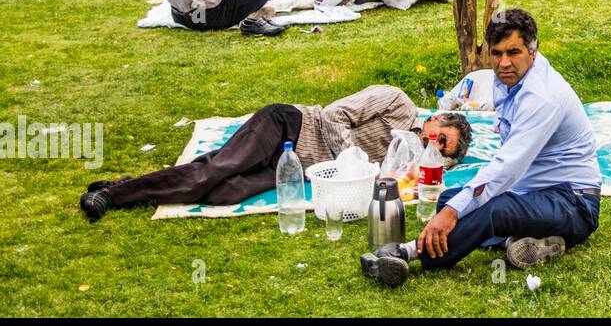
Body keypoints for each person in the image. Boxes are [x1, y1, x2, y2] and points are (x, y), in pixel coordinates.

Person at [360, 9, 602, 287]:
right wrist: (452, 208)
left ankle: (405, 254)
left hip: (574, 203)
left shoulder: (544, 98)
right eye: (496, 53)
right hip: (534, 192)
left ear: (533, 52)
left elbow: (507, 166)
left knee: (487, 209)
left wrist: (452, 214)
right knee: (448, 198)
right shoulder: (509, 78)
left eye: (513, 52)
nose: (503, 63)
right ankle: (520, 242)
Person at [80, 92, 471, 222]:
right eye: (440, 135)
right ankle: (111, 197)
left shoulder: (407, 159)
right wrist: (351, 161)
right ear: (436, 118)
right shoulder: (398, 103)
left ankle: (125, 187)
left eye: (442, 148)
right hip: (289, 126)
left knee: (223, 191)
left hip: (295, 168)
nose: (434, 144)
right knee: (215, 170)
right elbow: (335, 113)